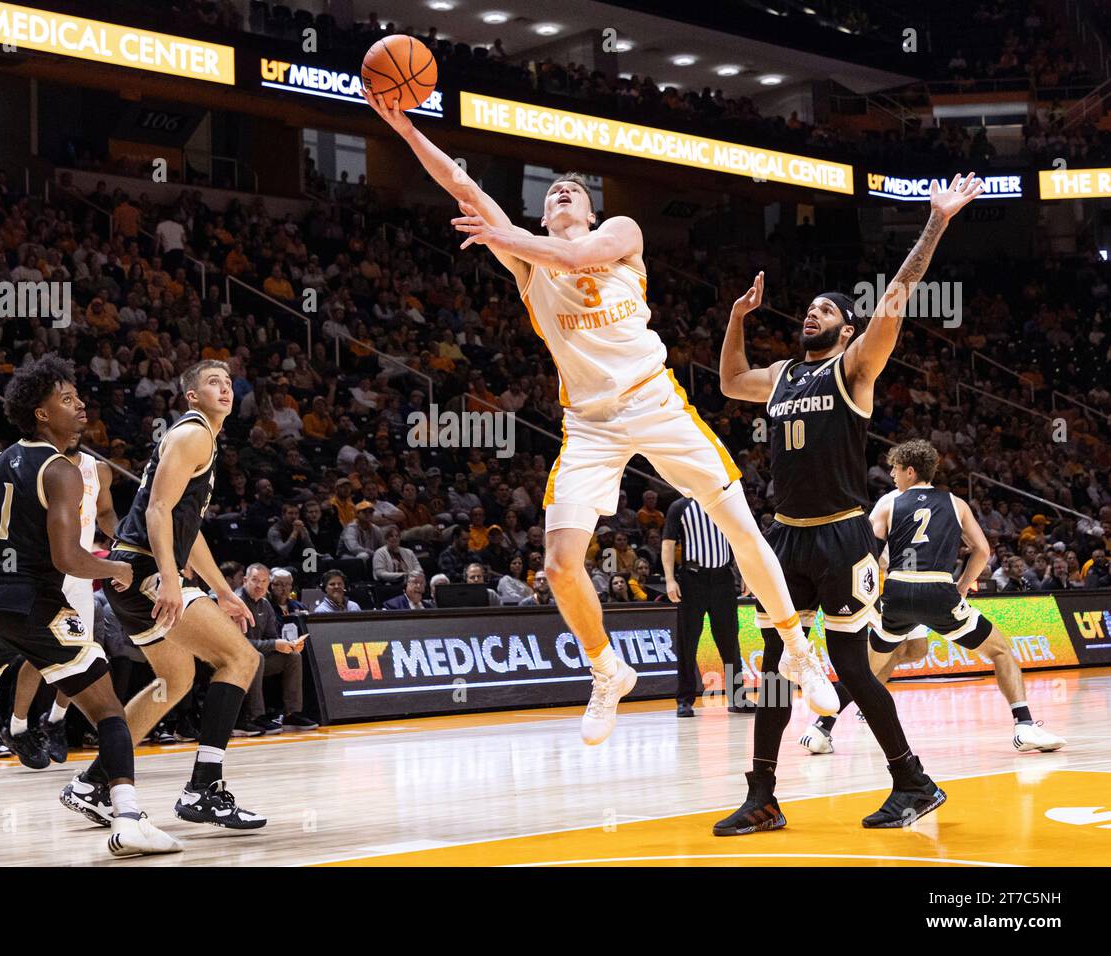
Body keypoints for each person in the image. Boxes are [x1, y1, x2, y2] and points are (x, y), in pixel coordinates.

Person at [365, 90, 834, 748]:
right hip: (587, 423)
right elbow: (460, 183)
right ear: (541, 212)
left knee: (735, 523)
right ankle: (606, 670)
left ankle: (795, 646)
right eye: (552, 190)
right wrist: (404, 128)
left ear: (590, 209)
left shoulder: (621, 235)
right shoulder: (527, 261)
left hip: (654, 399)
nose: (562, 192)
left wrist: (503, 234)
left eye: (572, 190)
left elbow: (576, 259)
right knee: (558, 563)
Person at [714, 171, 983, 835]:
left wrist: (937, 222)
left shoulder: (854, 367)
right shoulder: (781, 376)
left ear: (848, 327)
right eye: (806, 308)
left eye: (825, 310)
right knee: (777, 665)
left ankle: (913, 781)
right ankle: (764, 796)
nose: (811, 313)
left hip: (841, 536)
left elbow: (897, 295)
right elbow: (728, 381)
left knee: (851, 664)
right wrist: (735, 320)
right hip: (787, 538)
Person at [0, 357, 179, 857]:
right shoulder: (62, 469)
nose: (80, 404)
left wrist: (0, 562)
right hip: (36, 606)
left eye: (77, 396)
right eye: (66, 399)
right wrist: (116, 569)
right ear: (41, 414)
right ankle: (128, 818)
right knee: (109, 711)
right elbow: (69, 557)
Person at [61, 359, 265, 833]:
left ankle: (93, 783)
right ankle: (204, 789)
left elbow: (185, 528)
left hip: (134, 574)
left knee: (174, 680)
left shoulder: (202, 440)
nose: (225, 388)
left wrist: (222, 592)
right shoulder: (193, 434)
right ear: (192, 396)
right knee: (241, 659)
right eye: (213, 382)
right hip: (146, 568)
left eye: (229, 382)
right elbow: (155, 510)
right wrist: (172, 580)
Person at [800, 440, 1066, 756]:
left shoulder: (888, 504)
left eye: (895, 469)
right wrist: (964, 585)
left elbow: (865, 557)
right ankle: (1024, 725)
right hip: (938, 591)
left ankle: (821, 729)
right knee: (1001, 651)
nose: (892, 475)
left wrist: (864, 599)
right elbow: (983, 550)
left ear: (910, 471)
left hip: (896, 593)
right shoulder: (956, 504)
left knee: (864, 670)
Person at [7, 436, 116, 768]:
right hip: (42, 575)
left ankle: (54, 720)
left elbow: (107, 512)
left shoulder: (99, 470)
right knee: (37, 657)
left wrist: (123, 542)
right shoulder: (37, 467)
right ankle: (17, 726)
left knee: (79, 654)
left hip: (79, 576)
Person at [661, 495, 748, 717]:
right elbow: (668, 544)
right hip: (692, 580)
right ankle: (684, 700)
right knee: (687, 643)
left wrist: (745, 573)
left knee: (730, 642)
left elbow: (738, 539)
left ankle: (738, 699)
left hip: (723, 580)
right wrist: (670, 579)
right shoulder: (679, 506)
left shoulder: (725, 503)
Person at [237, 563, 318, 734]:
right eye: (255, 580)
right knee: (256, 656)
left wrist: (288, 646)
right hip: (234, 659)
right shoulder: (236, 603)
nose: (259, 585)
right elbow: (239, 644)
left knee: (293, 656)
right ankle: (253, 716)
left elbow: (271, 637)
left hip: (257, 658)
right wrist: (275, 645)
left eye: (263, 581)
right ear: (245, 580)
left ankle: (291, 713)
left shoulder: (265, 604)